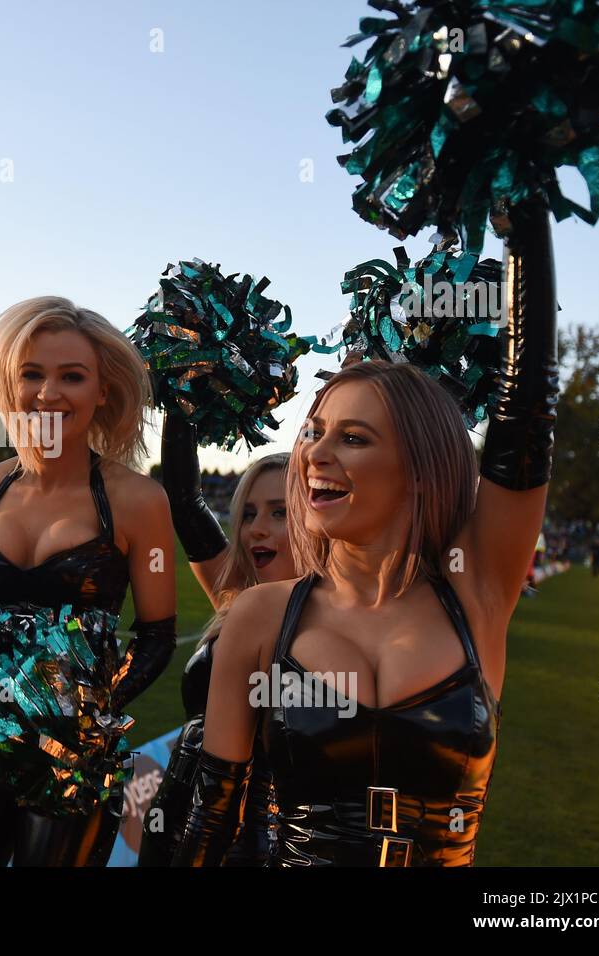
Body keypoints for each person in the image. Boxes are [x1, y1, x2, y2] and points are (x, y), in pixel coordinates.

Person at [172, 201, 558, 866]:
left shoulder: (476, 594)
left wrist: (520, 192)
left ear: (417, 470)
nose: (316, 455)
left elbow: (527, 401)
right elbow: (209, 824)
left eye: (353, 439)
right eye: (313, 433)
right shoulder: (262, 616)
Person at [0, 296, 177, 867]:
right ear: (9, 386)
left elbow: (157, 635)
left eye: (72, 376)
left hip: (71, 761)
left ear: (102, 391)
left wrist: (78, 710)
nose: (47, 393)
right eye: (31, 374)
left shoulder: (139, 500)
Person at [138, 428, 295, 866]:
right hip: (173, 817)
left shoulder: (335, 619)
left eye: (280, 513)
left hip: (255, 843)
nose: (256, 529)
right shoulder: (240, 595)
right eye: (248, 514)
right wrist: (186, 394)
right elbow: (185, 502)